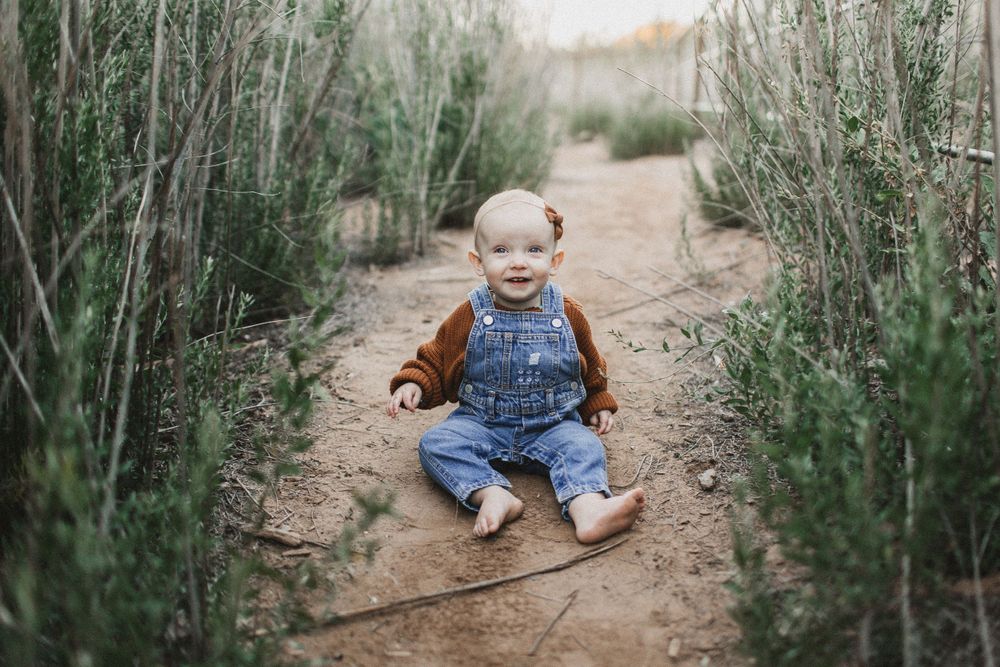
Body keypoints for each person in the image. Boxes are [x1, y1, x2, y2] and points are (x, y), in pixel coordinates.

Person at [386, 189, 645, 543]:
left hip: (552, 425)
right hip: (482, 423)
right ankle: (491, 493)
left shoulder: (567, 314)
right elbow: (438, 356)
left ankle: (589, 509)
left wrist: (596, 403)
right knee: (436, 443)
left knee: (584, 448)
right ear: (478, 262)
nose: (518, 262)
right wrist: (415, 383)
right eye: (502, 251)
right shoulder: (470, 315)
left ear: (555, 261)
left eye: (534, 250)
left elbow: (588, 365)